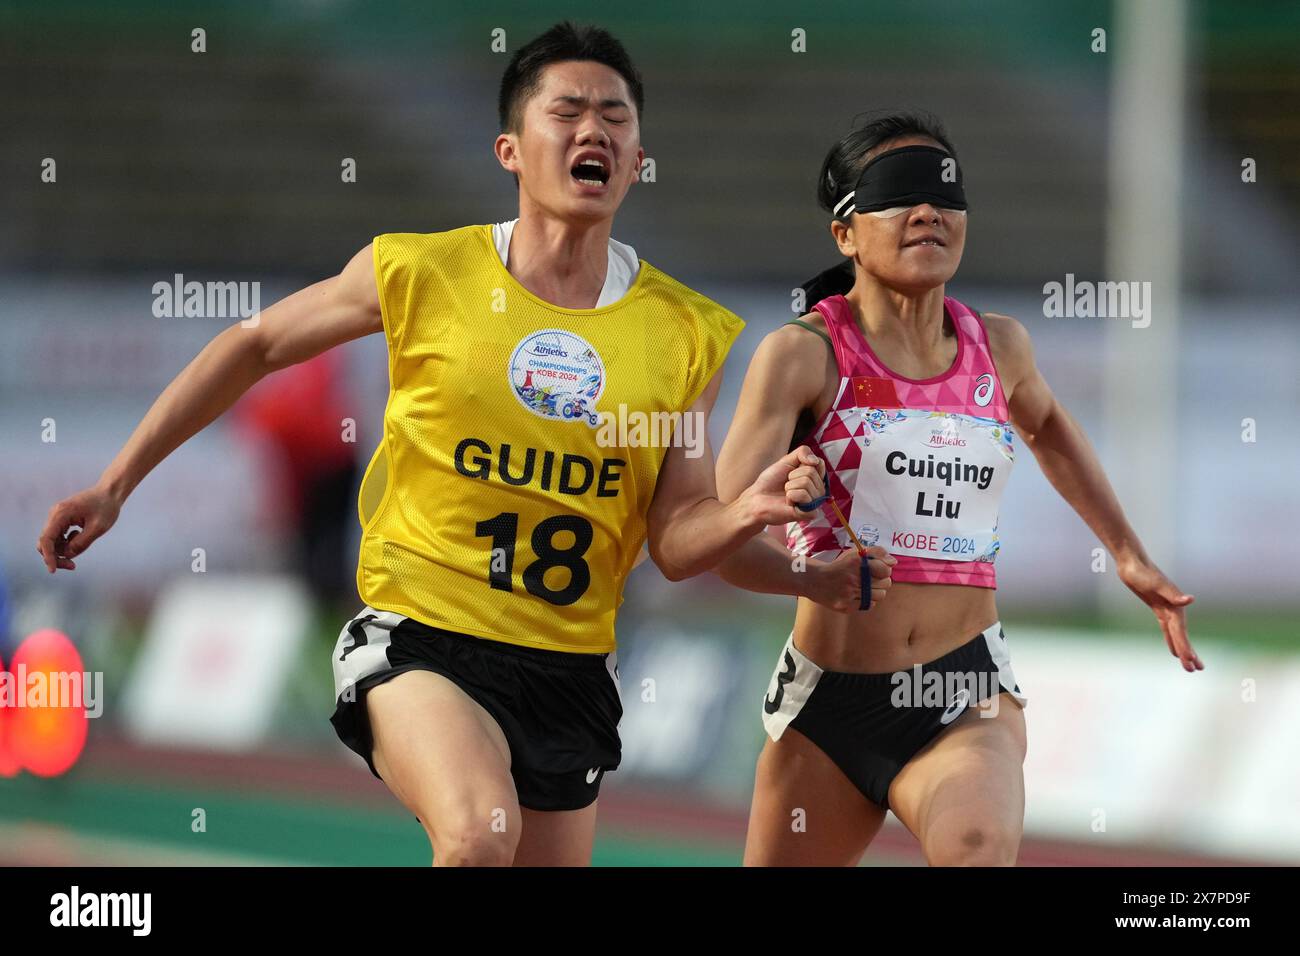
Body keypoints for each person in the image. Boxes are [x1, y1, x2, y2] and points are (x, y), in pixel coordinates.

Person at [34, 22, 851, 866]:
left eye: (615, 117)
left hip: (569, 671)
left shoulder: (688, 333)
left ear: (638, 159)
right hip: (421, 634)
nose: (593, 131)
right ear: (510, 148)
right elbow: (256, 344)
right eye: (566, 112)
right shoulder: (422, 272)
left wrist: (744, 513)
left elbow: (677, 542)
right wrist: (116, 484)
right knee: (476, 836)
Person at [712, 111, 1202, 866]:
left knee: (975, 845)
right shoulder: (802, 357)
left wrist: (1128, 555)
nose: (928, 210)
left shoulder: (998, 347)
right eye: (898, 193)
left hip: (962, 689)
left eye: (945, 192)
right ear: (845, 233)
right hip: (828, 701)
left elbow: (1051, 430)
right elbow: (726, 541)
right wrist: (806, 557)